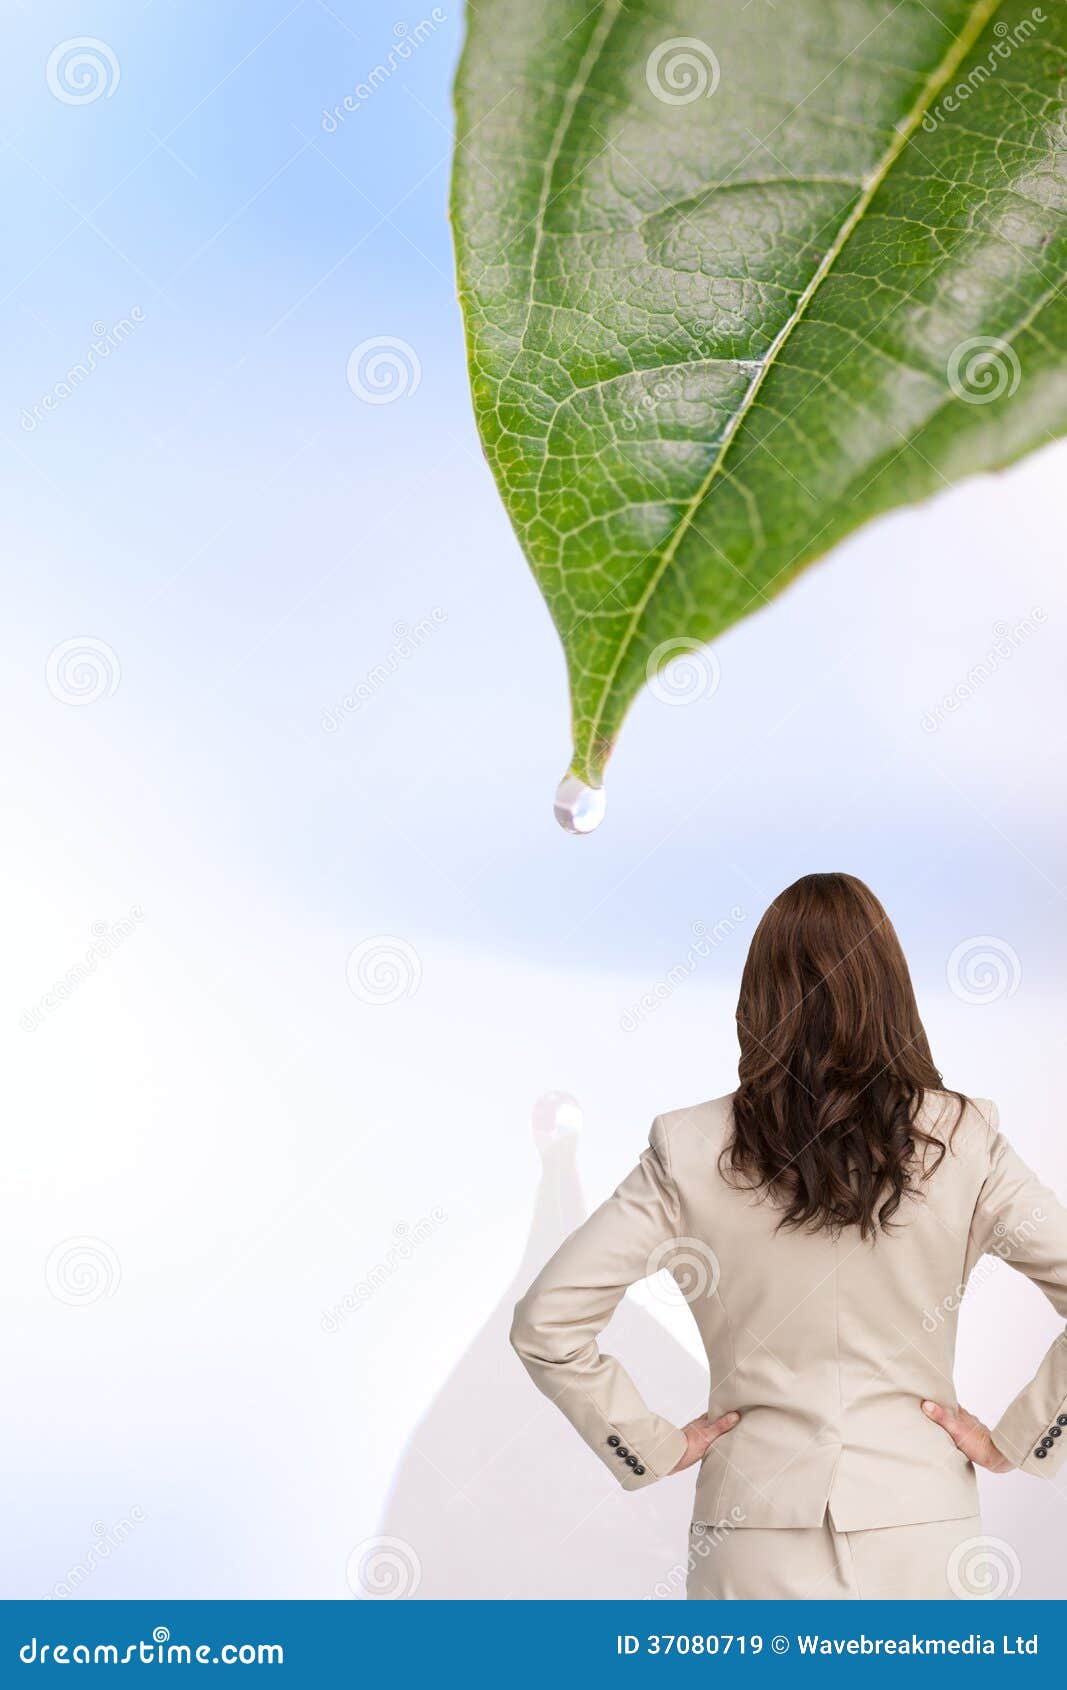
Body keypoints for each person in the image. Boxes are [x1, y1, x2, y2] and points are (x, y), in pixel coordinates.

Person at [510, 873, 1067, 1599]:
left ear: (758, 999)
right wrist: (1020, 1439)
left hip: (751, 1535)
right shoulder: (963, 1139)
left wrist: (649, 1445)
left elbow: (545, 1323)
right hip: (923, 1534)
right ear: (891, 990)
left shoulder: (688, 1148)